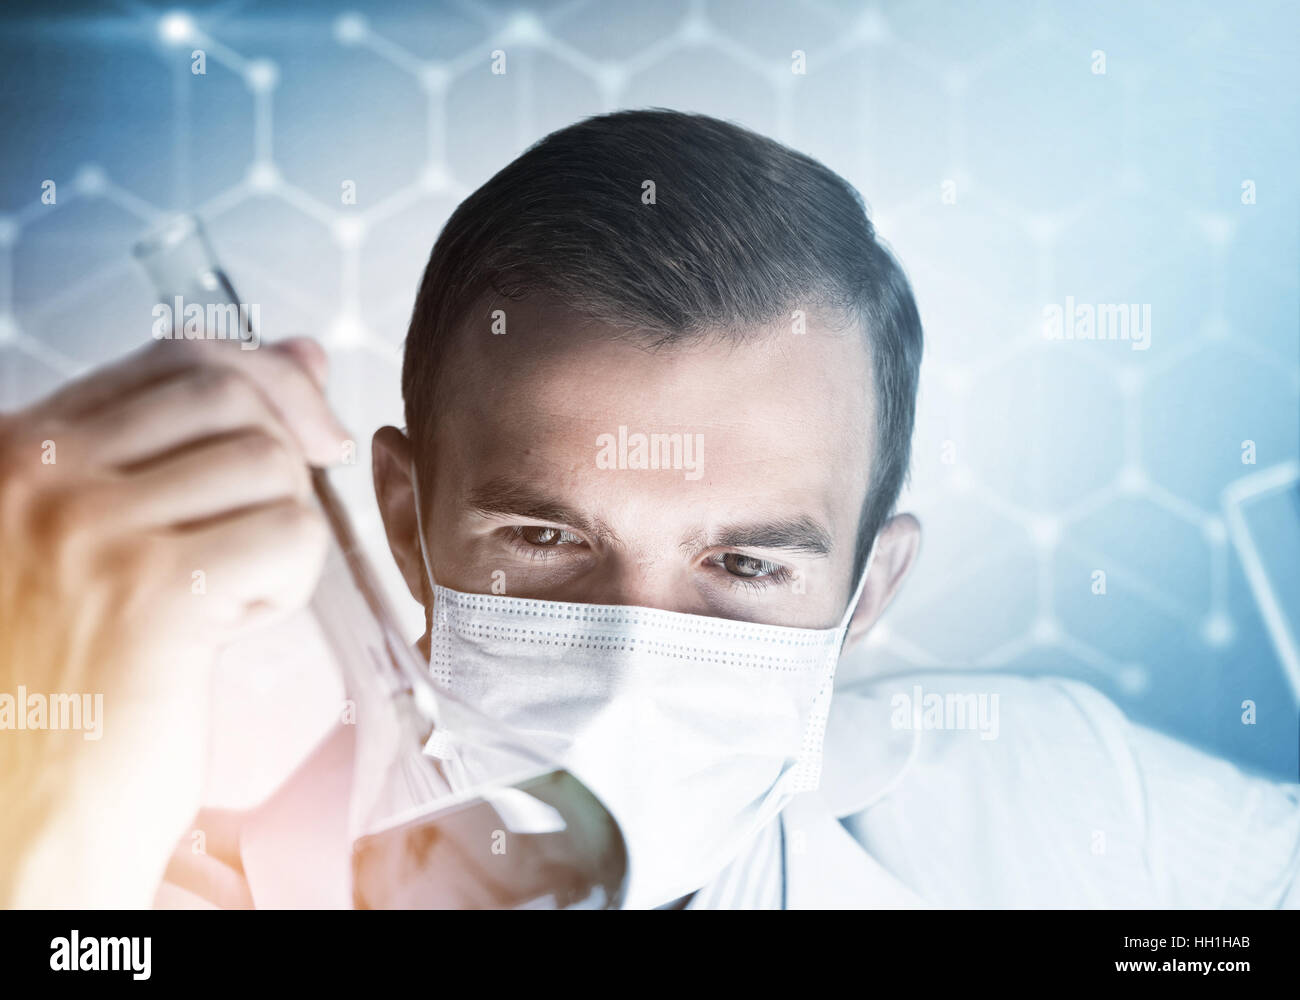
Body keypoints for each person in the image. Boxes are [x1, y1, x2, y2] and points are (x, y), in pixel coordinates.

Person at [2, 110, 1297, 909]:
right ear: (404, 520)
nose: (630, 659)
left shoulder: (1049, 808)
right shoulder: (141, 875)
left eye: (743, 564)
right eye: (548, 540)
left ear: (866, 592)